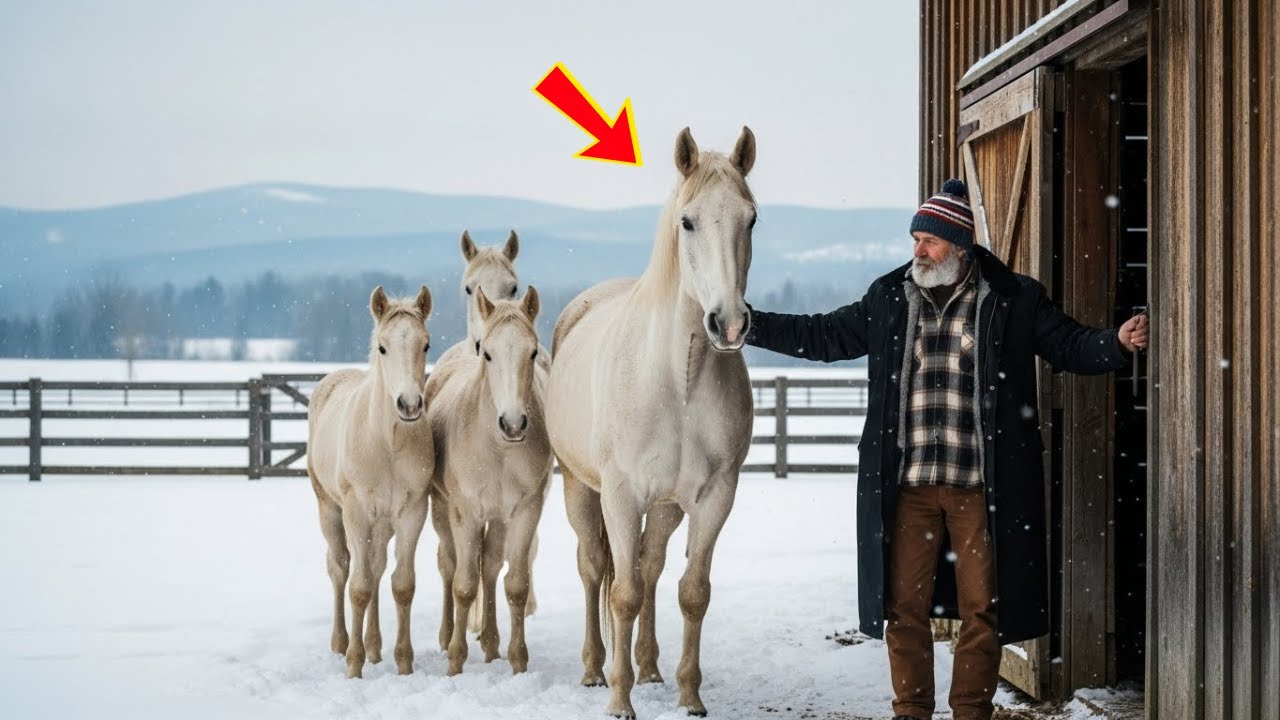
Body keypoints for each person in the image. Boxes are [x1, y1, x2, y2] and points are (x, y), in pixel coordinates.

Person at [744, 179, 1149, 720]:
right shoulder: (888, 298)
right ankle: (910, 711)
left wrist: (1115, 343)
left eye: (929, 241)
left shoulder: (1012, 299)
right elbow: (824, 336)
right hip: (909, 488)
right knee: (904, 609)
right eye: (914, 239)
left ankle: (970, 713)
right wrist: (750, 324)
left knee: (983, 611)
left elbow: (1067, 343)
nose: (917, 251)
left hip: (981, 488)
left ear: (958, 246)